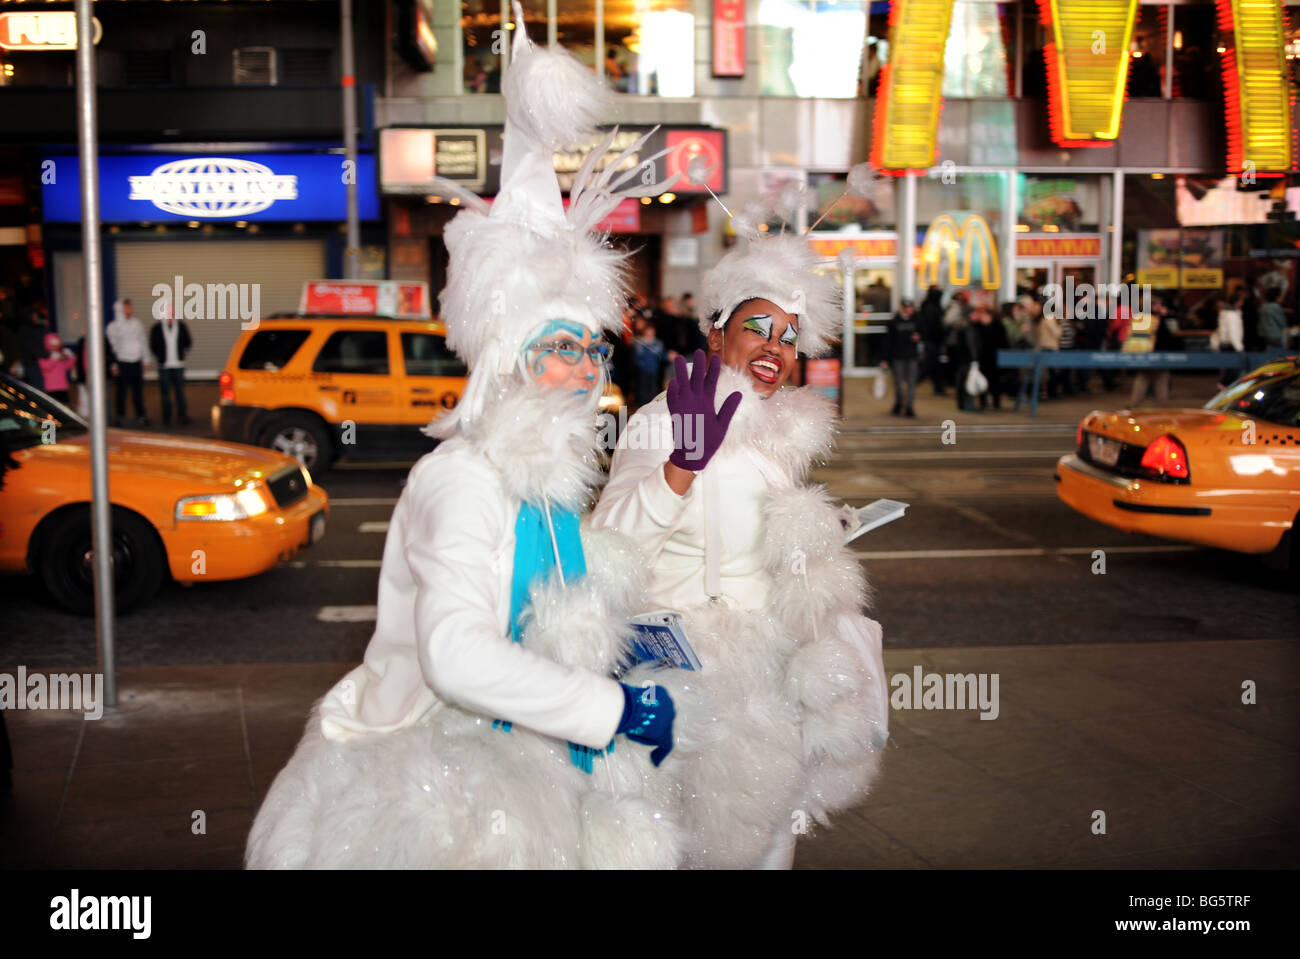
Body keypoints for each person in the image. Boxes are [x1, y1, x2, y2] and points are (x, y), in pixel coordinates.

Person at [247, 9, 683, 869]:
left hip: (530, 751)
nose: (583, 371)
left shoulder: (544, 482)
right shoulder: (463, 479)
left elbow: (550, 604)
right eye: (557, 350)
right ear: (503, 366)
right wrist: (607, 709)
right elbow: (454, 655)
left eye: (590, 349)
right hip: (436, 772)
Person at [591, 231, 889, 869]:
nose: (775, 349)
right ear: (717, 333)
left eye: (789, 338)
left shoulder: (775, 436)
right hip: (691, 688)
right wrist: (680, 465)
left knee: (766, 850)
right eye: (759, 328)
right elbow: (612, 547)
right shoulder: (665, 422)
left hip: (770, 686)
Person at [1129, 298, 1181, 407]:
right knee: (1160, 380)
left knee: (1144, 379)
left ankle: (1133, 405)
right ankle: (1163, 407)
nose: (1161, 306)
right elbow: (1168, 335)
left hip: (1145, 354)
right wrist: (1166, 316)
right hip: (1158, 354)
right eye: (1159, 305)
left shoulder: (1140, 317)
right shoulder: (1158, 319)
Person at [106, 298, 149, 426]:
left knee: (138, 391)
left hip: (136, 362)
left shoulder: (137, 324)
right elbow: (112, 348)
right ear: (120, 309)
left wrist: (146, 359)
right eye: (127, 307)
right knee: (121, 392)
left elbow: (143, 342)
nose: (130, 310)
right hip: (122, 362)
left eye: (131, 307)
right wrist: (113, 365)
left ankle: (141, 415)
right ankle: (120, 416)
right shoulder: (113, 327)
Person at [149, 308, 193, 426]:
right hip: (164, 366)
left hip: (178, 365)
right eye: (169, 312)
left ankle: (182, 416)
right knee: (165, 393)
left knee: (180, 392)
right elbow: (153, 345)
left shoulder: (181, 326)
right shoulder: (157, 328)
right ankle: (167, 417)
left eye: (173, 312)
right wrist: (160, 355)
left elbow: (188, 341)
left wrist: (182, 352)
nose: (171, 314)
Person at [882, 297, 920, 416]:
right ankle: (899, 403)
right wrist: (884, 358)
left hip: (912, 356)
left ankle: (909, 406)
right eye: (907, 308)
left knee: (911, 383)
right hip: (897, 356)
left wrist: (919, 337)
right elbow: (888, 341)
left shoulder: (917, 320)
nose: (909, 310)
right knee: (898, 383)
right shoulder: (894, 322)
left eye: (911, 307)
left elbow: (925, 333)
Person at [918, 284, 946, 395]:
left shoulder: (933, 305)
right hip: (931, 340)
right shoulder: (930, 307)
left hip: (933, 340)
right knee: (930, 364)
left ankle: (938, 387)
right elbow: (930, 325)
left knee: (934, 365)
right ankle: (914, 382)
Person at [632, 319, 665, 408]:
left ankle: (652, 405)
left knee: (653, 387)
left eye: (652, 331)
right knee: (642, 387)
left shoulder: (658, 343)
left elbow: (661, 354)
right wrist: (641, 365)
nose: (650, 333)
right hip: (643, 369)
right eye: (648, 331)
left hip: (654, 368)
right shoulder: (640, 343)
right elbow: (637, 356)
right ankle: (641, 405)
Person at [1215, 290, 1245, 389]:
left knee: (1228, 369)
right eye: (1241, 300)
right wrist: (1239, 348)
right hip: (1231, 345)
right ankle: (1225, 386)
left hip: (1225, 344)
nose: (1243, 303)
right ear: (1236, 302)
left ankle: (1225, 386)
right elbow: (1233, 333)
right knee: (1234, 369)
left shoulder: (1225, 313)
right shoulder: (1232, 315)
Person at [37, 333, 77, 406]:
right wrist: (54, 359)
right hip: (51, 389)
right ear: (48, 344)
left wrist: (72, 358)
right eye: (53, 345)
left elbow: (66, 367)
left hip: (63, 388)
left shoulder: (60, 355)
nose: (56, 347)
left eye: (57, 345)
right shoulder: (44, 355)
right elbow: (45, 367)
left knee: (65, 407)